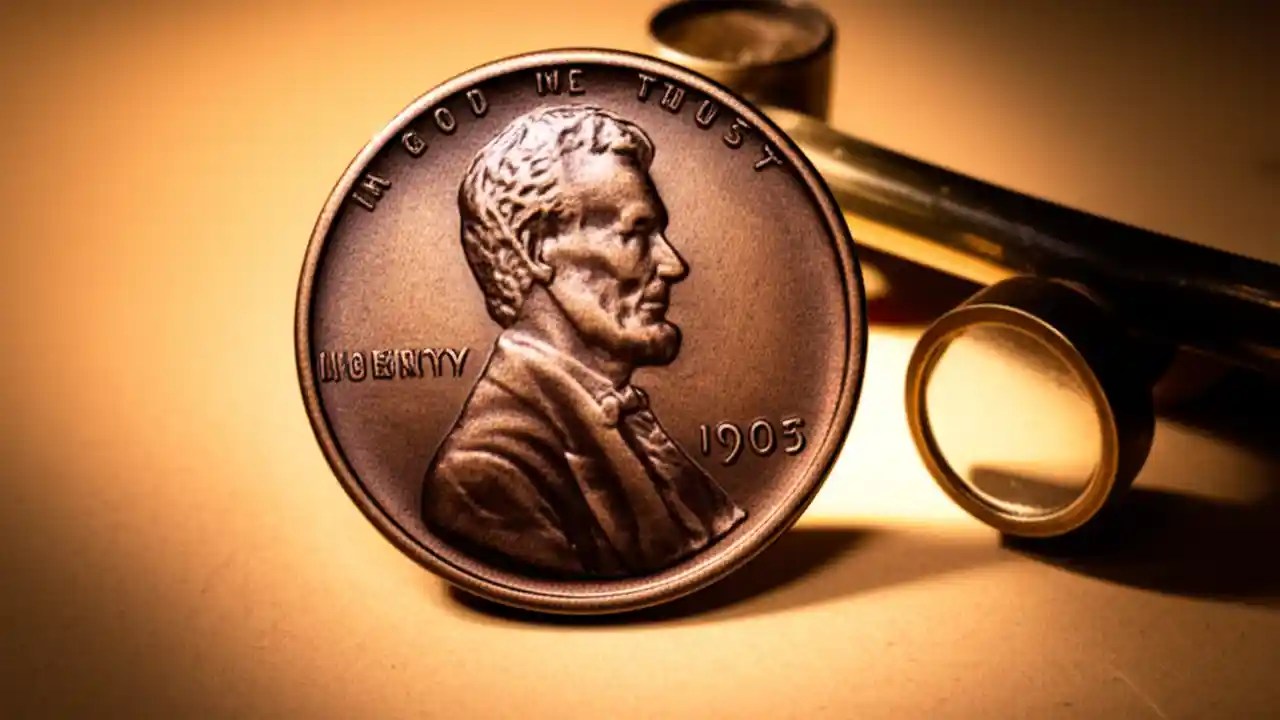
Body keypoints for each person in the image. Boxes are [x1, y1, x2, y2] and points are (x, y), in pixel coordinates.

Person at [421, 105, 746, 578]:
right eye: (636, 233)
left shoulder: (620, 420)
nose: (673, 264)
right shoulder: (483, 474)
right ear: (537, 251)